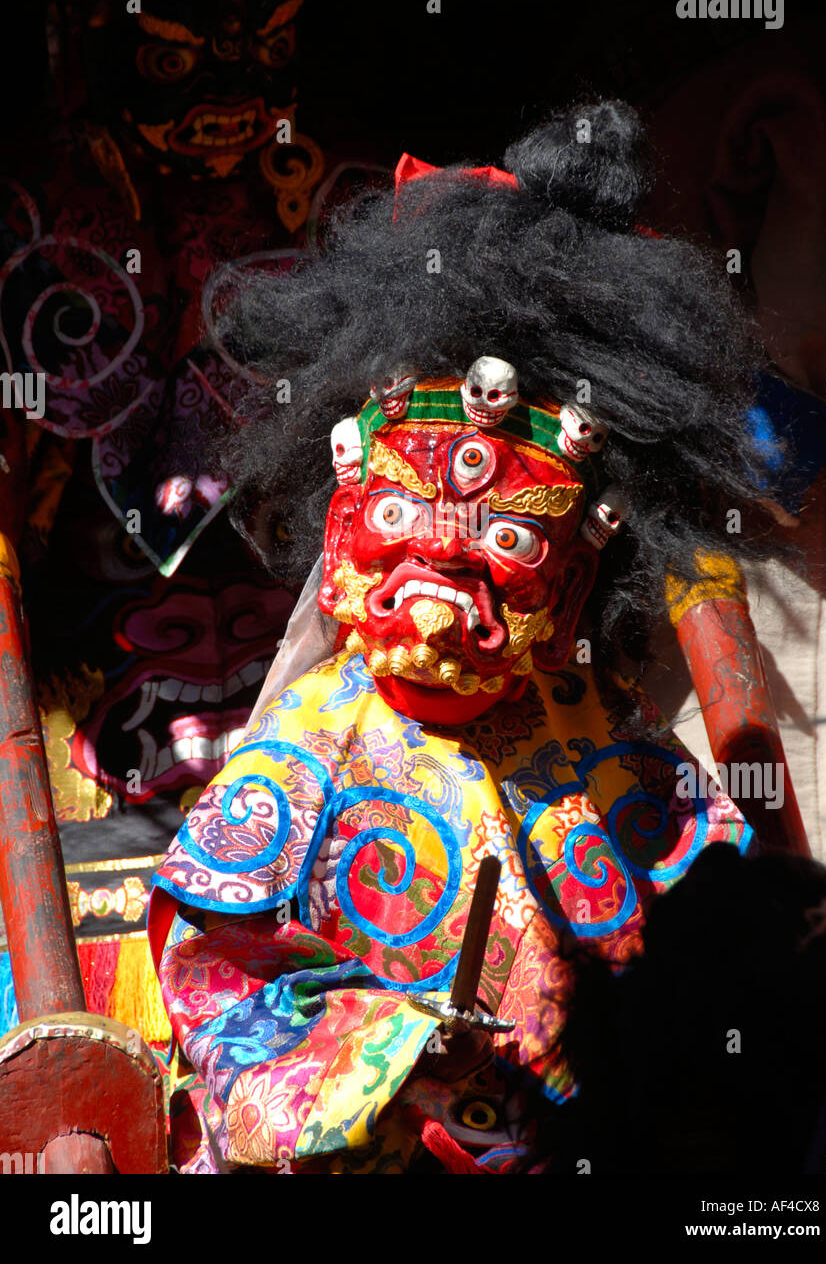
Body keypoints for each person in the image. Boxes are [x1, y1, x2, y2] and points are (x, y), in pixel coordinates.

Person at [148, 99, 784, 1172]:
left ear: (579, 576)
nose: (438, 586)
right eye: (399, 530)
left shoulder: (619, 762)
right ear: (341, 540)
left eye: (501, 545)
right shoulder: (299, 766)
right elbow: (222, 989)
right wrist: (399, 1052)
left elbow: (722, 954)